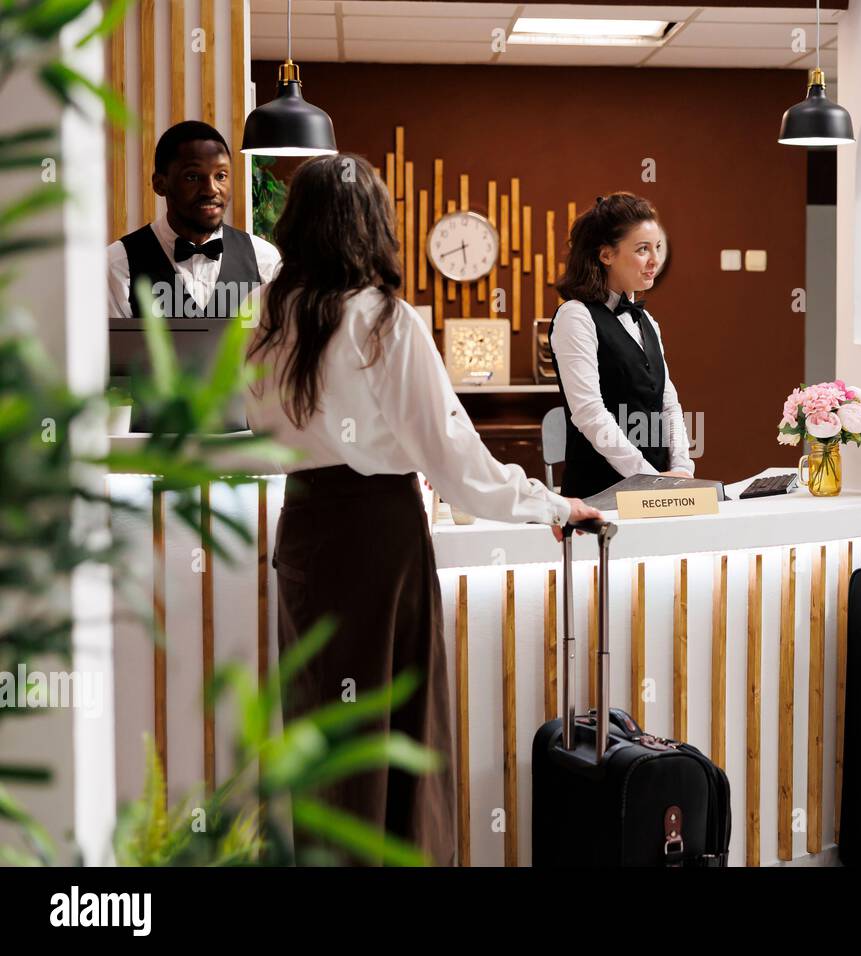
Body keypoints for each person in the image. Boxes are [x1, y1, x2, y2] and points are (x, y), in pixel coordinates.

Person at [243, 153, 600, 866]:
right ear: (371, 223)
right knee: (398, 729)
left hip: (306, 533)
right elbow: (454, 460)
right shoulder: (385, 320)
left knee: (323, 728)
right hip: (379, 540)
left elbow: (254, 434)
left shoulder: (270, 319)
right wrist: (547, 503)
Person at [550, 192, 694, 499]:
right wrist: (647, 479)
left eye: (657, 247)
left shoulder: (648, 322)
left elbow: (669, 403)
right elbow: (590, 413)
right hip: (598, 495)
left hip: (657, 490)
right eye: (643, 249)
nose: (655, 260)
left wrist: (682, 468)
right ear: (606, 255)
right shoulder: (575, 317)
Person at [108, 121, 280, 318]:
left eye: (221, 176)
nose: (211, 189)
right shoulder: (119, 264)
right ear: (159, 184)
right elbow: (111, 348)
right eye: (192, 177)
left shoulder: (264, 260)